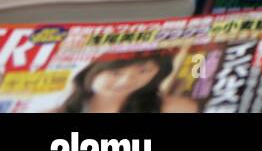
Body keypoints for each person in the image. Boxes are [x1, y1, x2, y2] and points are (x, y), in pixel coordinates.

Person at [53, 52, 198, 114]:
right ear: (91, 72)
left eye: (143, 71)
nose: (127, 81)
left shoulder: (175, 108)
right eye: (116, 72)